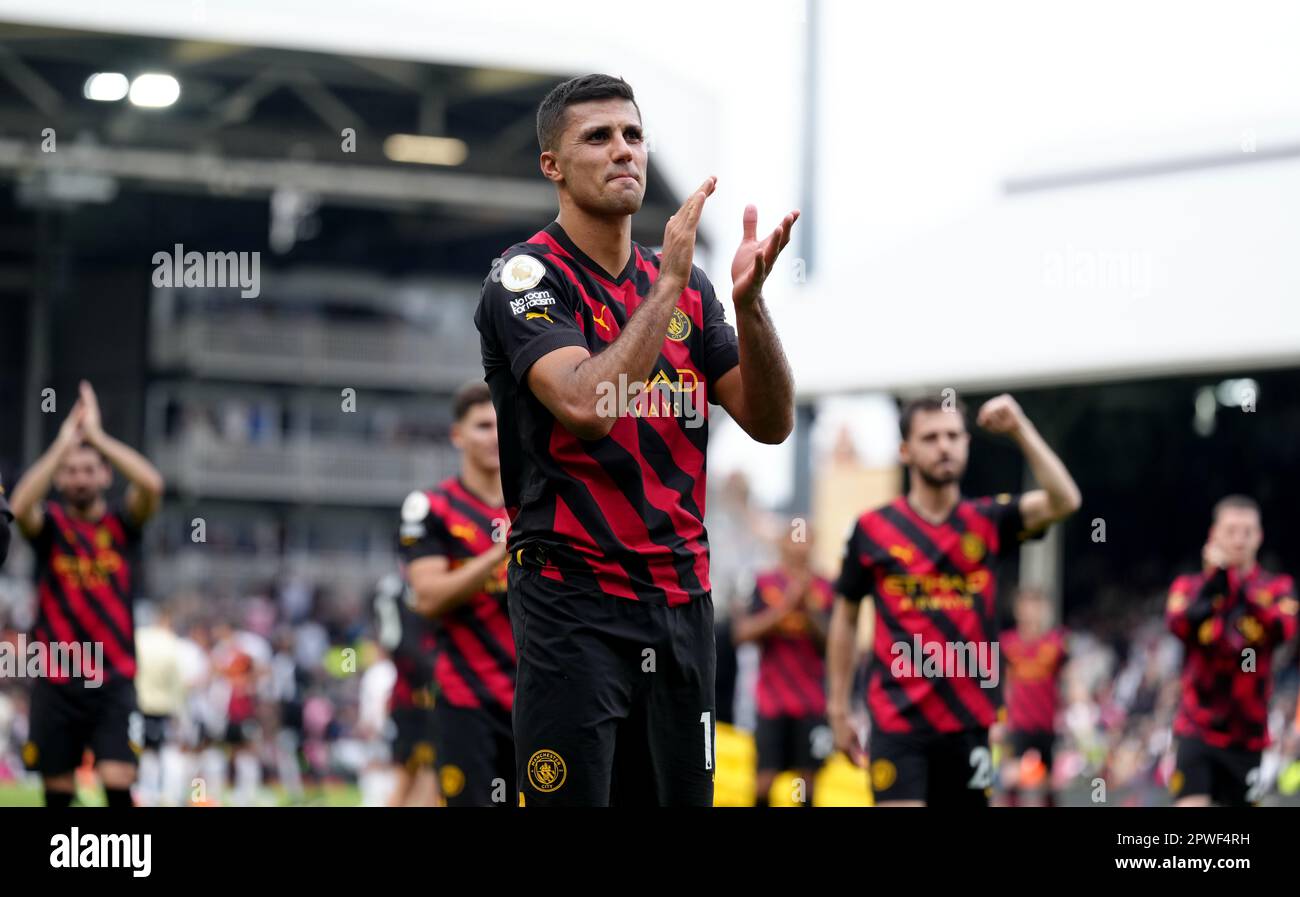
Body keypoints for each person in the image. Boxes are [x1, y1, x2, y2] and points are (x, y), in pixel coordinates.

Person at [474, 74, 797, 806]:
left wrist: (749, 309)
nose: (624, 150)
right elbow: (587, 403)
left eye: (633, 134)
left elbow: (772, 423)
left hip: (684, 604)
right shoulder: (527, 277)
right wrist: (669, 283)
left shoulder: (689, 288)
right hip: (572, 604)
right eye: (598, 136)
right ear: (552, 166)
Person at [826, 394, 1080, 806]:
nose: (943, 446)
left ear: (966, 444)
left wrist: (1019, 428)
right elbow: (845, 617)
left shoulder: (990, 520)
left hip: (970, 723)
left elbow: (1065, 500)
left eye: (953, 436)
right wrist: (838, 709)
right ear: (906, 451)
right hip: (897, 720)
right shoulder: (872, 530)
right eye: (930, 437)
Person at [9, 381, 165, 807]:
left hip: (113, 679)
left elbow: (152, 485)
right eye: (71, 471)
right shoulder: (51, 529)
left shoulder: (122, 526)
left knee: (118, 781)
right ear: (59, 478)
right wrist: (63, 442)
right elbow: (19, 508)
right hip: (56, 681)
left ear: (105, 475)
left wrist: (96, 438)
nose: (79, 478)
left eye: (88, 469)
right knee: (56, 792)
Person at [401, 381, 514, 806]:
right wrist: (502, 553)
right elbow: (428, 596)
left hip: (538, 699)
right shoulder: (432, 509)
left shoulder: (539, 503)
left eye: (503, 424)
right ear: (457, 435)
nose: (497, 436)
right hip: (467, 701)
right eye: (484, 426)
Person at [1166, 495, 1297, 806]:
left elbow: (1283, 630)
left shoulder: (1278, 588)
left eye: (1247, 531)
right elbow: (1179, 625)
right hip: (1197, 726)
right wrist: (1215, 582)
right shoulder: (1189, 587)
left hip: (1248, 736)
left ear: (1259, 536)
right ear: (1214, 535)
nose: (1239, 539)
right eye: (1231, 531)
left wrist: (1238, 587)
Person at [732, 532, 832, 807]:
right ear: (781, 543)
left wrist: (808, 609)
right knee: (764, 782)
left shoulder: (825, 586)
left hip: (812, 703)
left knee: (806, 786)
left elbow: (834, 643)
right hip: (771, 702)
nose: (799, 544)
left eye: (805, 537)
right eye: (792, 537)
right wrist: (786, 606)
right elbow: (742, 633)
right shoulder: (764, 583)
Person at [371, 573, 439, 807]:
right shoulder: (396, 590)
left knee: (429, 777)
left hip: (429, 702)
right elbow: (397, 643)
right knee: (408, 777)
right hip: (412, 702)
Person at [997, 586, 1068, 806]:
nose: (1032, 612)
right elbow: (999, 684)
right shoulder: (1006, 643)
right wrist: (998, 720)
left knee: (1047, 787)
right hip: (1017, 726)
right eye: (1028, 606)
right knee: (1012, 781)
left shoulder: (1056, 643)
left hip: (1047, 727)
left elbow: (1067, 681)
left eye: (1037, 606)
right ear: (1018, 610)